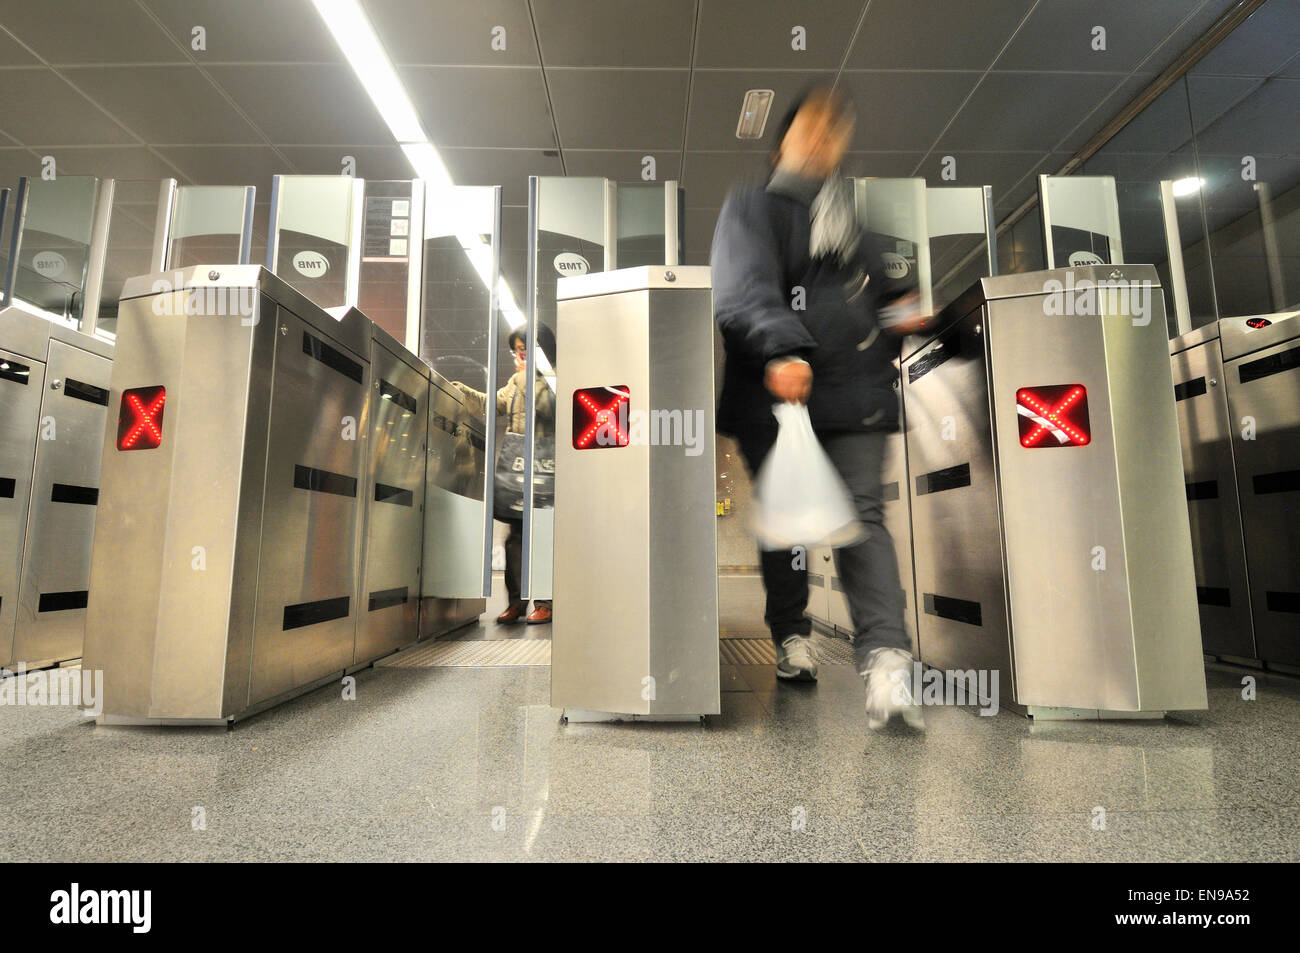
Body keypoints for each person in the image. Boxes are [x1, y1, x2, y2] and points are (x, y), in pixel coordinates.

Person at [710, 84, 928, 729]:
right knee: (791, 522)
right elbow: (743, 287)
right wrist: (782, 349)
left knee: (862, 517)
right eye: (812, 126)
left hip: (857, 395)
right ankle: (791, 633)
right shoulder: (755, 210)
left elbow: (890, 301)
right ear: (784, 139)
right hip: (779, 392)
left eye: (837, 129)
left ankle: (887, 662)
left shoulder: (860, 231)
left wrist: (912, 316)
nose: (825, 138)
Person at [453, 330, 555, 625]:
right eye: (516, 351)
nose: (518, 356)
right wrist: (461, 391)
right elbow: (491, 405)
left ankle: (545, 601)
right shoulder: (514, 382)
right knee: (516, 539)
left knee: (542, 537)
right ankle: (516, 602)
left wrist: (526, 377)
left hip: (546, 469)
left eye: (524, 350)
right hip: (519, 470)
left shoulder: (555, 379)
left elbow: (548, 407)